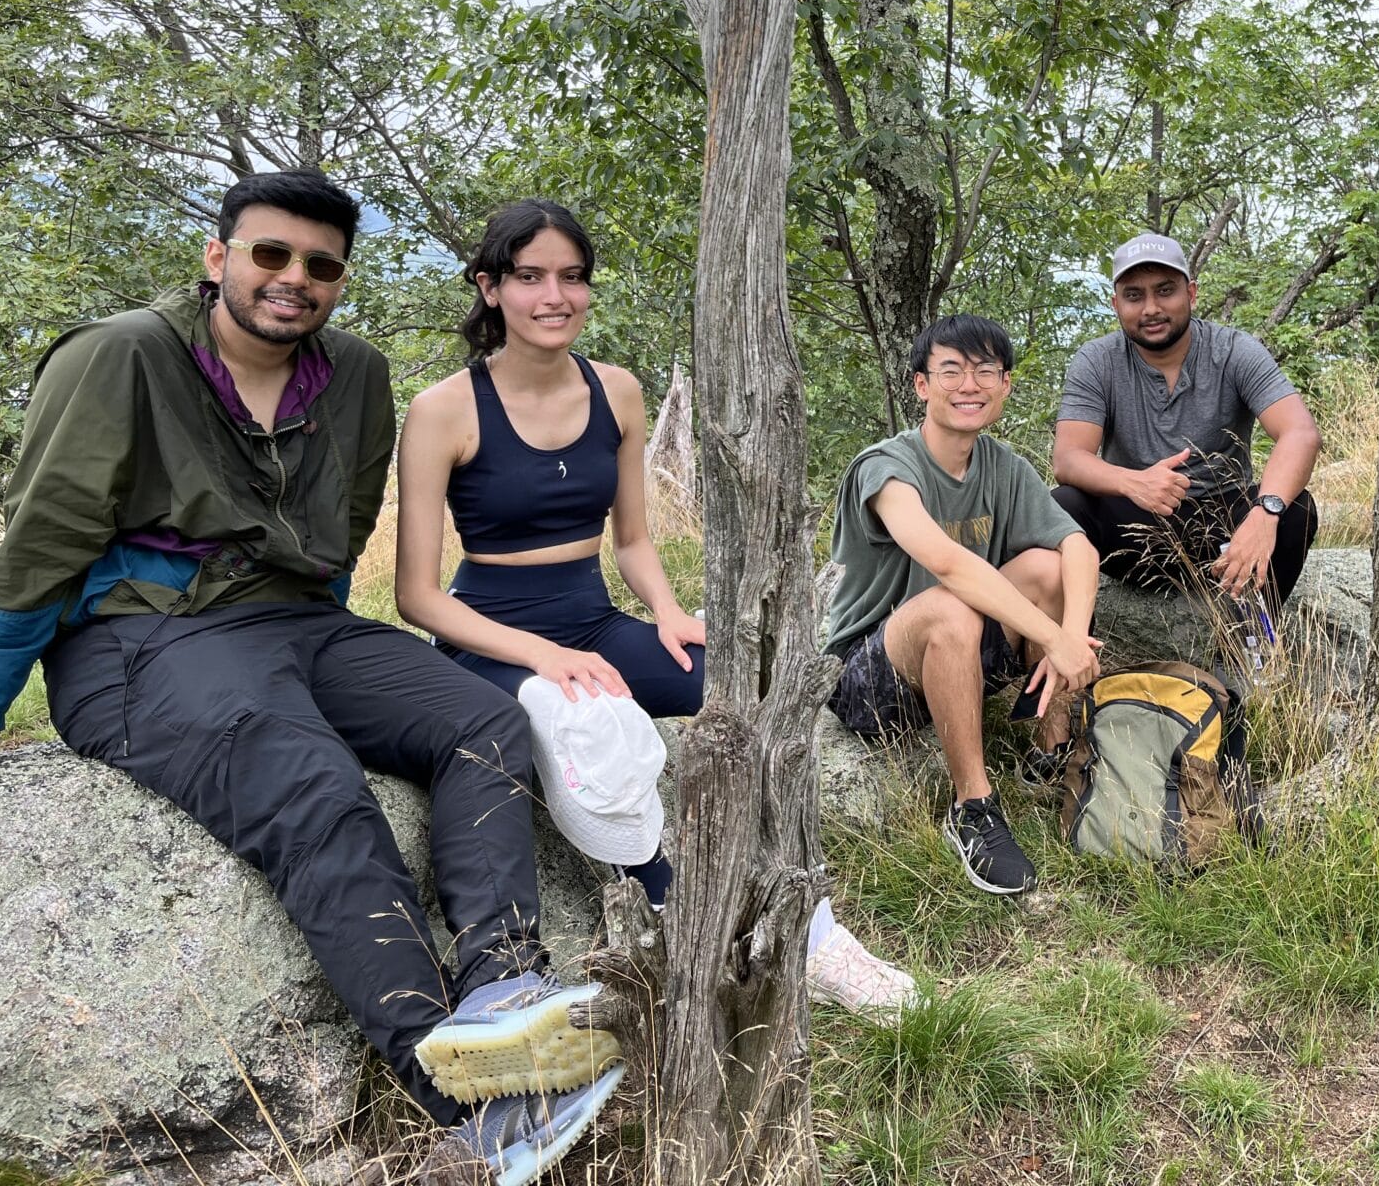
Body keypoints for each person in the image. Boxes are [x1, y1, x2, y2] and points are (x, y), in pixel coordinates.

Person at [0, 172, 622, 1185]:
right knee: (313, 784)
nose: (293, 279)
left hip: (298, 621)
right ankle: (463, 1098)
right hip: (142, 642)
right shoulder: (122, 356)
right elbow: (40, 549)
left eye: (319, 265)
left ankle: (502, 992)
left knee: (483, 720)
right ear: (218, 257)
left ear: (338, 282)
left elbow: (338, 532)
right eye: (270, 254)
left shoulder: (351, 373)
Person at [395, 198, 915, 1015]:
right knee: (588, 721)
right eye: (529, 278)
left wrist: (669, 612)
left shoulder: (618, 392)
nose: (553, 296)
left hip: (592, 620)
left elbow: (633, 539)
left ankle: (803, 913)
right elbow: (416, 596)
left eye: (572, 277)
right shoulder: (443, 409)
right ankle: (683, 908)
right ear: (490, 289)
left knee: (738, 691)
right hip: (490, 640)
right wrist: (538, 655)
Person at [825, 314, 1102, 896]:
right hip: (872, 675)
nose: (968, 385)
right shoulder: (886, 466)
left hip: (964, 653)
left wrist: (1072, 633)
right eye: (950, 370)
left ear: (1006, 385)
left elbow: (1078, 546)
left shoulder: (1004, 466)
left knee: (1048, 569)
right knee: (950, 605)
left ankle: (1051, 752)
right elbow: (947, 563)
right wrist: (1051, 639)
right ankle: (973, 808)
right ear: (922, 385)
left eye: (984, 371)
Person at [1050, 233, 1323, 623]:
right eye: (1134, 295)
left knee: (1295, 508)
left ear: (1190, 293)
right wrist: (1134, 483)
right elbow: (1068, 458)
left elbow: (1300, 433)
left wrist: (1265, 512)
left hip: (1225, 534)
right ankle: (1078, 647)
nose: (1151, 308)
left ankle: (1249, 646)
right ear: (1115, 304)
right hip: (1136, 530)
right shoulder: (1097, 361)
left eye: (1165, 291)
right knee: (1063, 505)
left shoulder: (1233, 350)